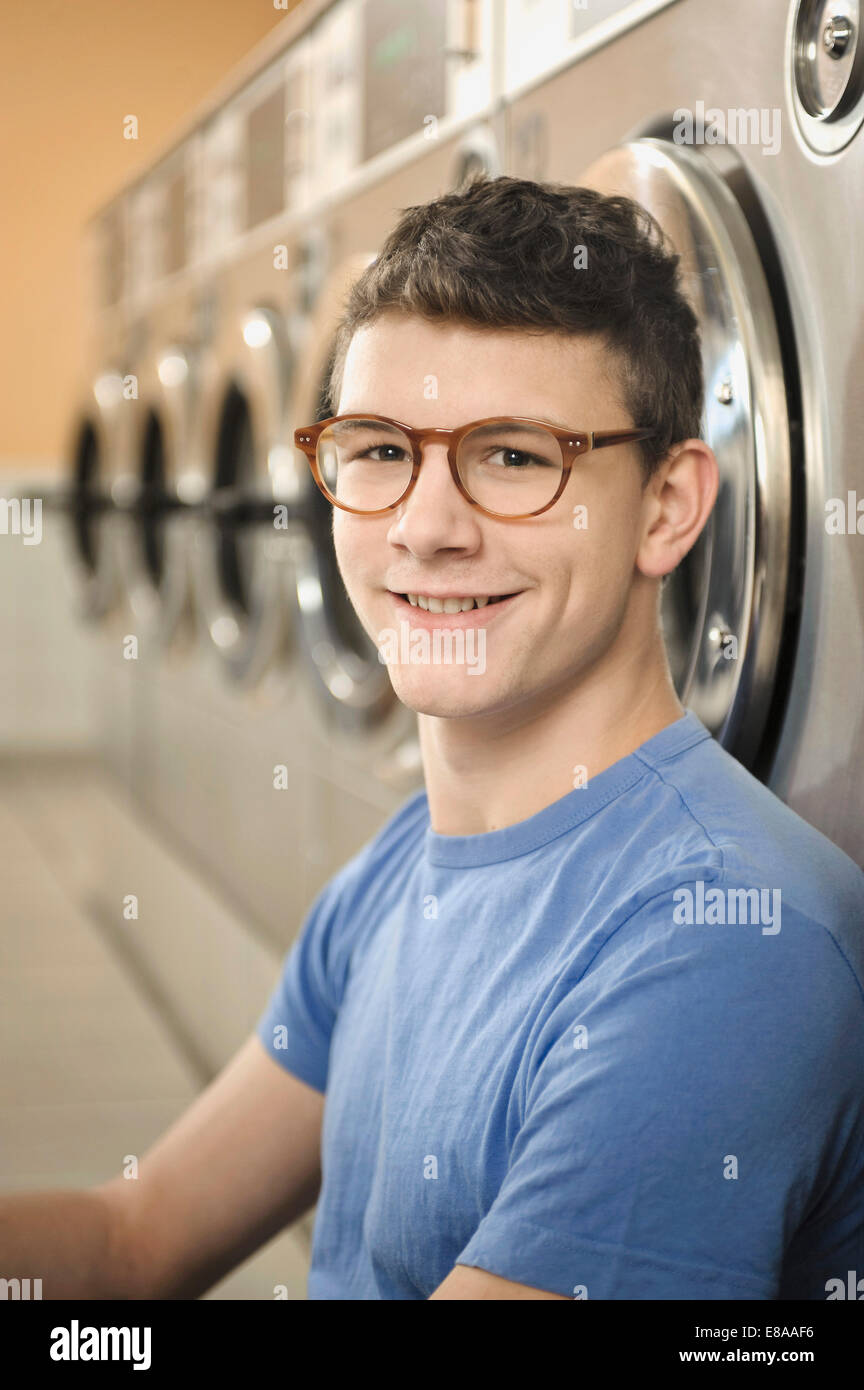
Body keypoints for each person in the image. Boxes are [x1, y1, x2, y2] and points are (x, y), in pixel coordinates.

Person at [3, 176, 863, 1301]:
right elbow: (136, 1239)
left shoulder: (723, 941)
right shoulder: (398, 871)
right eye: (378, 450)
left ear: (666, 507)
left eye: (514, 456)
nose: (426, 527)